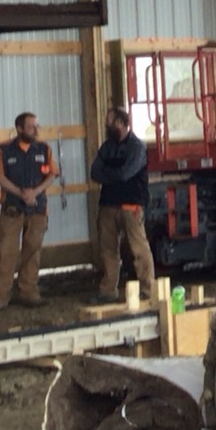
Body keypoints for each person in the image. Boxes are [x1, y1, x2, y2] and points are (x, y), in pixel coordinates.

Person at [0, 112, 57, 312]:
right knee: (6, 252)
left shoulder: (44, 148)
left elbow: (51, 175)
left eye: (37, 126)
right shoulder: (4, 149)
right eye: (32, 126)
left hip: (38, 208)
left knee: (33, 251)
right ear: (19, 128)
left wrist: (35, 192)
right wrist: (20, 193)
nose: (36, 130)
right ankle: (0, 296)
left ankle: (29, 292)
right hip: (12, 208)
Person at [89, 107, 154, 301]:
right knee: (107, 250)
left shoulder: (137, 147)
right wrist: (114, 175)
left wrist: (108, 174)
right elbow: (94, 173)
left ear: (119, 123)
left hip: (131, 206)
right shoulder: (107, 147)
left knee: (139, 249)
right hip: (108, 205)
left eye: (109, 122)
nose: (106, 125)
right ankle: (108, 290)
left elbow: (126, 173)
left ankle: (148, 289)